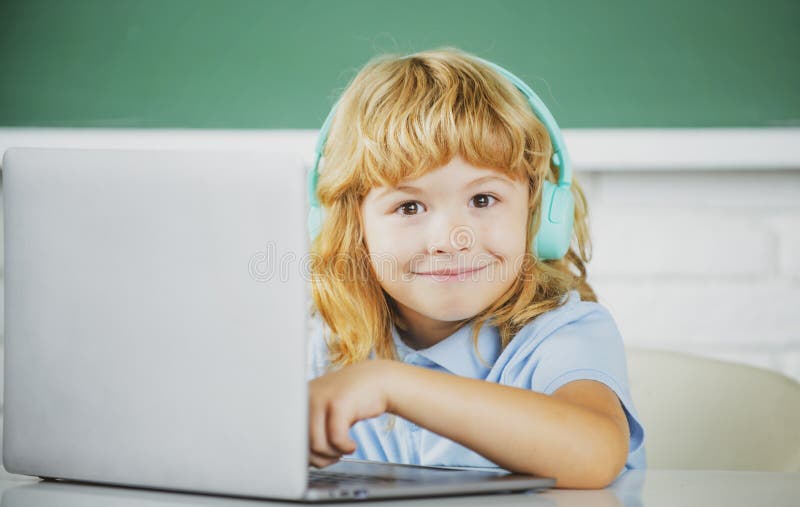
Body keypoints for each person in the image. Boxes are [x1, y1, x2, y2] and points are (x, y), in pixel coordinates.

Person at [305, 46, 645, 489]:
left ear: (538, 214)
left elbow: (594, 455)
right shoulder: (329, 345)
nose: (450, 240)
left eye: (483, 199)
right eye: (409, 207)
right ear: (353, 228)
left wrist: (391, 385)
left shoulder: (561, 335)